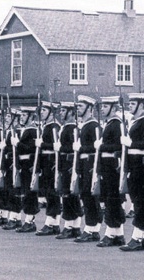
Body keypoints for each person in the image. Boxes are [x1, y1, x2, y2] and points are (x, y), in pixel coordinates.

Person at [119, 93, 144, 252]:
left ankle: (136, 238)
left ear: (142, 106)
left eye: (133, 104)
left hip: (140, 166)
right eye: (130, 104)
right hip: (133, 165)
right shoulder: (134, 122)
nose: (130, 106)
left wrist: (131, 143)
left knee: (139, 202)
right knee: (141, 203)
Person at [96, 96, 125, 247]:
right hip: (107, 164)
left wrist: (101, 146)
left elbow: (118, 146)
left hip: (112, 165)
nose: (102, 108)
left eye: (106, 106)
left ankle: (110, 232)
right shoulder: (110, 124)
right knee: (110, 199)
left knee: (112, 199)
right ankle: (117, 233)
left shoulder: (116, 124)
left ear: (114, 108)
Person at [74, 95, 102, 243]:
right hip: (83, 163)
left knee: (90, 196)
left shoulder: (93, 125)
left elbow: (96, 147)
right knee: (86, 195)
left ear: (90, 109)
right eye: (78, 106)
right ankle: (92, 227)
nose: (78, 108)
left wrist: (82, 148)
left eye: (81, 106)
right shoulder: (83, 125)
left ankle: (92, 228)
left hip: (91, 163)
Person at [55, 101, 84, 239]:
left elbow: (73, 148)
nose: (61, 113)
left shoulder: (72, 128)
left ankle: (70, 226)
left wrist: (59, 148)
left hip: (69, 164)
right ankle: (74, 226)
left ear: (71, 113)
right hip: (64, 164)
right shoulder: (66, 128)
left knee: (69, 195)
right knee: (68, 195)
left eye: (63, 111)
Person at [35, 101, 63, 235]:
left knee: (52, 193)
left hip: (51, 162)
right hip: (45, 162)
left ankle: (52, 222)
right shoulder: (46, 126)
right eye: (42, 110)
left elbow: (55, 145)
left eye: (45, 111)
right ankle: (53, 223)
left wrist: (43, 145)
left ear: (52, 113)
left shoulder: (54, 126)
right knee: (48, 193)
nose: (42, 113)